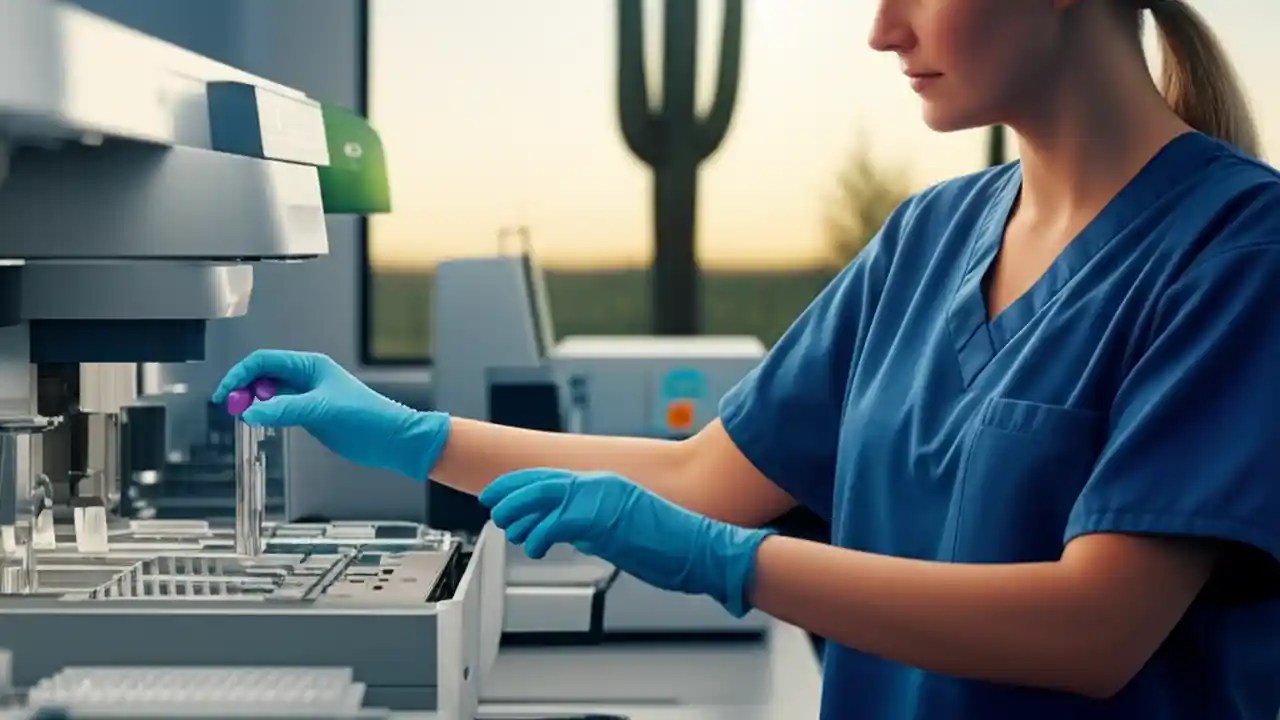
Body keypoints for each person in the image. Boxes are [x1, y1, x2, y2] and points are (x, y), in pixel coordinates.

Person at [213, 0, 1280, 717]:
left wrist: (731, 565)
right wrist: (407, 438)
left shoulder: (1236, 253)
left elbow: (1092, 631)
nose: (880, 30)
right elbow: (704, 478)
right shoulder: (930, 235)